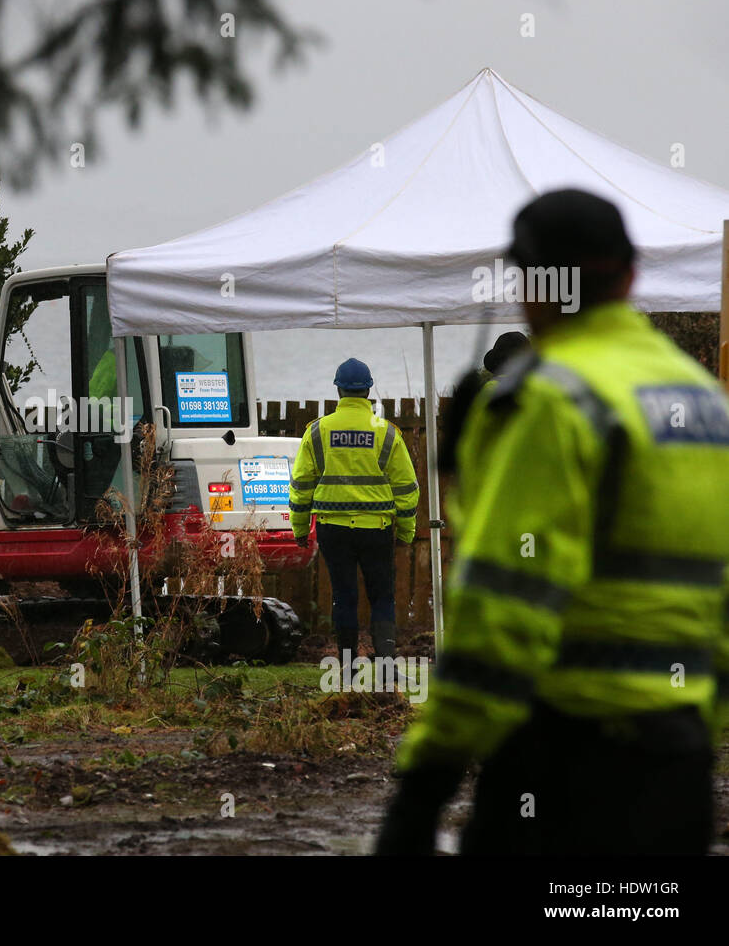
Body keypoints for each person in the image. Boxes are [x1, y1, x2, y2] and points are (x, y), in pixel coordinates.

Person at [377, 189, 729, 855]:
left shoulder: (549, 400)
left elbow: (499, 613)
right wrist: (695, 728)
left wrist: (426, 783)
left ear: (531, 284)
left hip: (563, 768)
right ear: (629, 278)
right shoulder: (702, 403)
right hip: (680, 772)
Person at [289, 359, 419, 663]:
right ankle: (387, 667)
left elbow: (301, 486)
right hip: (377, 528)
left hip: (332, 529)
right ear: (368, 390)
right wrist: (406, 530)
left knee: (343, 596)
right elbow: (406, 487)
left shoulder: (318, 431)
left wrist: (298, 529)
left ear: (338, 390)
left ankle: (347, 669)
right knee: (382, 597)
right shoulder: (386, 432)